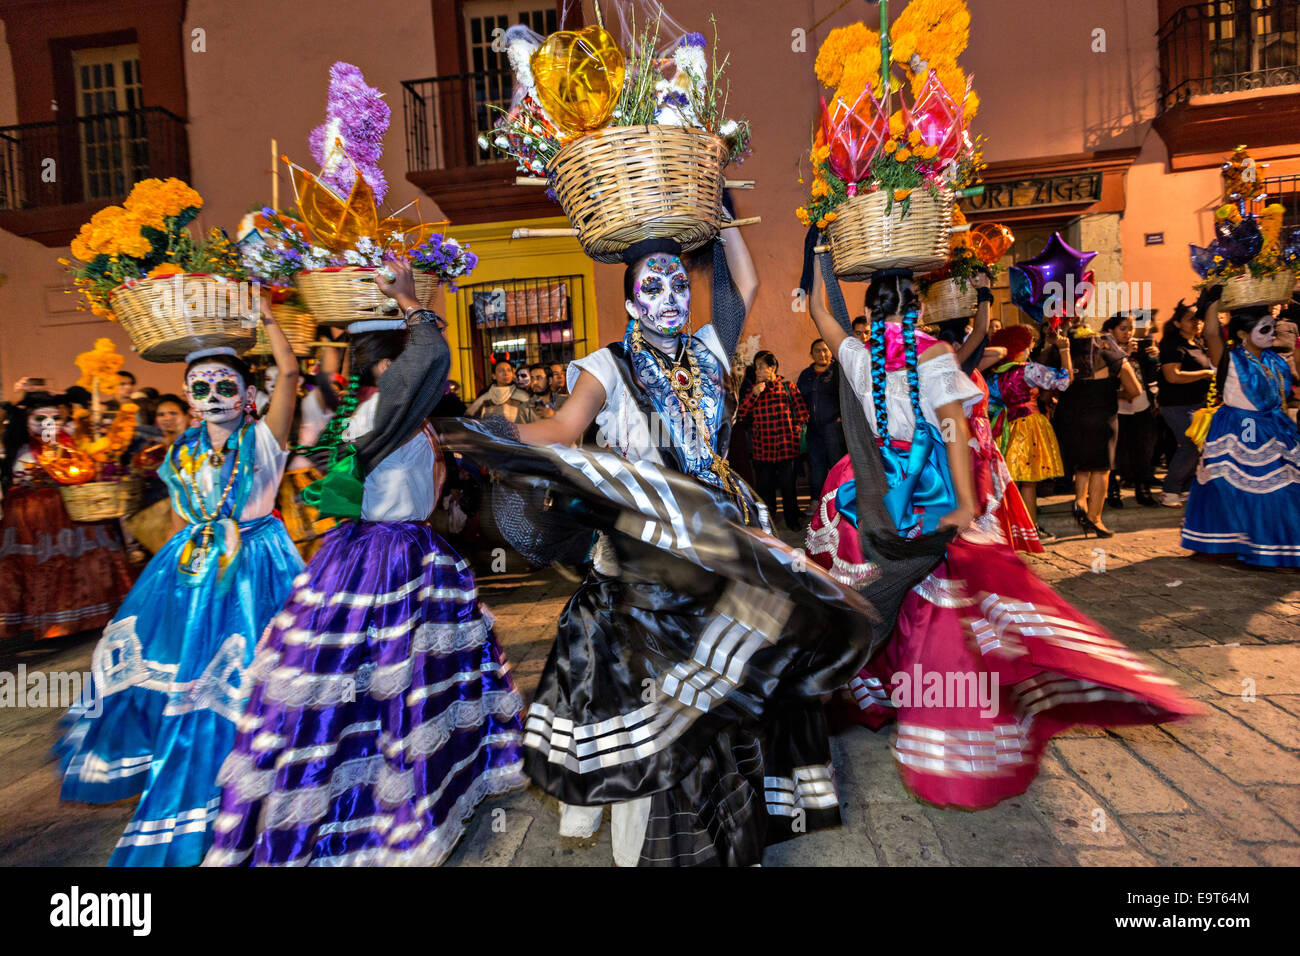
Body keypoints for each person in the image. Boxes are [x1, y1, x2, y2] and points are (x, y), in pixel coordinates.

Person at [452, 223, 877, 867]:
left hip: (723, 544)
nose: (672, 294)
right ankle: (659, 847)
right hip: (649, 558)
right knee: (666, 706)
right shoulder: (609, 367)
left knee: (734, 693)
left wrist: (723, 213)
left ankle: (736, 835)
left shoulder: (708, 348)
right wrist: (500, 435)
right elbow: (566, 427)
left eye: (679, 282)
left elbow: (748, 282)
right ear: (629, 305)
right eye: (653, 284)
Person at [805, 263, 1199, 809]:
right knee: (938, 606)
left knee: (875, 598)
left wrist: (820, 257)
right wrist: (966, 502)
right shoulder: (933, 356)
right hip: (926, 493)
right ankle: (946, 726)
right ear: (915, 308)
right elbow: (953, 428)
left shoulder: (854, 354)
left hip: (866, 494)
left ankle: (871, 686)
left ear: (870, 313)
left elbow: (822, 313)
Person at [207, 261, 523, 866]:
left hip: (396, 550)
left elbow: (430, 375)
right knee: (385, 679)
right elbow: (432, 357)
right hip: (387, 561)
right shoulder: (379, 412)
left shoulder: (390, 414)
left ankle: (412, 793)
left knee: (395, 681)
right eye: (402, 359)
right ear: (386, 365)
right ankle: (375, 816)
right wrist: (410, 300)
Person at [55, 302, 304, 866]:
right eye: (201, 386)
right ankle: (199, 783)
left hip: (258, 567)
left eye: (225, 384)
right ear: (188, 396)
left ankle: (270, 786)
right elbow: (175, 519)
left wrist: (266, 316)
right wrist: (164, 582)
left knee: (255, 680)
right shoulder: (181, 451)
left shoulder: (265, 439)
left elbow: (290, 374)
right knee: (184, 682)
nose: (213, 395)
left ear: (247, 394)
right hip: (188, 572)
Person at [0, 390, 133, 640]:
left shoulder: (72, 441)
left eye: (55, 417)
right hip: (29, 519)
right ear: (26, 420)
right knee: (37, 567)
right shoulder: (20, 448)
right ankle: (43, 620)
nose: (49, 424)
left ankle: (81, 618)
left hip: (71, 513)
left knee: (78, 565)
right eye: (41, 419)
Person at [1181, 287, 1300, 566]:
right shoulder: (1229, 357)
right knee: (1228, 487)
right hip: (1237, 429)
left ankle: (1274, 545)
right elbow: (1211, 333)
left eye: (1273, 328)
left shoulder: (1276, 359)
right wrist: (1212, 303)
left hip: (1274, 428)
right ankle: (1227, 545)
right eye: (1265, 328)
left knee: (1285, 486)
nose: (1272, 334)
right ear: (1243, 333)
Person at [986, 323, 1073, 532]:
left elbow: (990, 404)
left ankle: (1010, 528)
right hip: (1029, 427)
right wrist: (1064, 350)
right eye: (1027, 346)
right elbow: (1064, 381)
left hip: (1004, 428)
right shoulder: (1029, 370)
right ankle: (1029, 529)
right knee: (1029, 481)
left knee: (1008, 482)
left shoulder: (993, 375)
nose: (1030, 351)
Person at [1056, 326, 1140, 537]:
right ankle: (1095, 518)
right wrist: (1114, 392)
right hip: (1102, 417)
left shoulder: (1067, 356)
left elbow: (1056, 387)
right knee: (1102, 469)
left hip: (1071, 416)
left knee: (1083, 466)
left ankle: (1080, 502)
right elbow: (1135, 391)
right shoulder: (1114, 357)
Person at [736, 350, 808, 531]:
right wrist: (754, 393)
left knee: (788, 487)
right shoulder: (754, 389)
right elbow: (742, 414)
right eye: (756, 367)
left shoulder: (787, 386)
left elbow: (802, 414)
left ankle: (792, 520)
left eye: (761, 366)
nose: (757, 370)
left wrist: (794, 434)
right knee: (765, 490)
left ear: (772, 367)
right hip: (763, 449)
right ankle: (768, 521)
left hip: (786, 448)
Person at [1157, 300, 1214, 506]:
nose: (1197, 322)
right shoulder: (1173, 345)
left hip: (1198, 404)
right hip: (1177, 404)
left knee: (1199, 446)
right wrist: (1204, 374)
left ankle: (1186, 488)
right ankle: (1170, 490)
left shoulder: (1197, 344)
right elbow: (1172, 376)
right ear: (1178, 323)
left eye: (1199, 319)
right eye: (1191, 319)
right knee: (1190, 445)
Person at [1106, 312, 1161, 507]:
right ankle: (1113, 491)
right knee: (1116, 452)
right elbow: (1109, 380)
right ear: (1111, 330)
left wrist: (1154, 359)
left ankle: (1143, 490)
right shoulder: (1105, 351)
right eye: (1123, 329)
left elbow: (1151, 376)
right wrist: (1125, 356)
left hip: (1141, 405)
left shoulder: (1141, 348)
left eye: (1130, 328)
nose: (1128, 333)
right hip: (1116, 408)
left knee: (1143, 451)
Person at [797, 338, 846, 503]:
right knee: (816, 467)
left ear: (831, 352)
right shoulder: (806, 375)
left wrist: (841, 419)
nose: (822, 354)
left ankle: (840, 502)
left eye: (825, 350)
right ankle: (816, 502)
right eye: (817, 351)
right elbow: (799, 400)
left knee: (837, 466)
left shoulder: (838, 372)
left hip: (834, 428)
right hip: (812, 430)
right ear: (811, 354)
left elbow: (846, 398)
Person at [465, 359, 535, 424]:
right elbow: (469, 419)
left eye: (509, 370)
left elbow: (533, 420)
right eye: (501, 371)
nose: (506, 373)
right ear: (494, 376)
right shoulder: (485, 397)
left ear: (513, 374)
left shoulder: (523, 396)